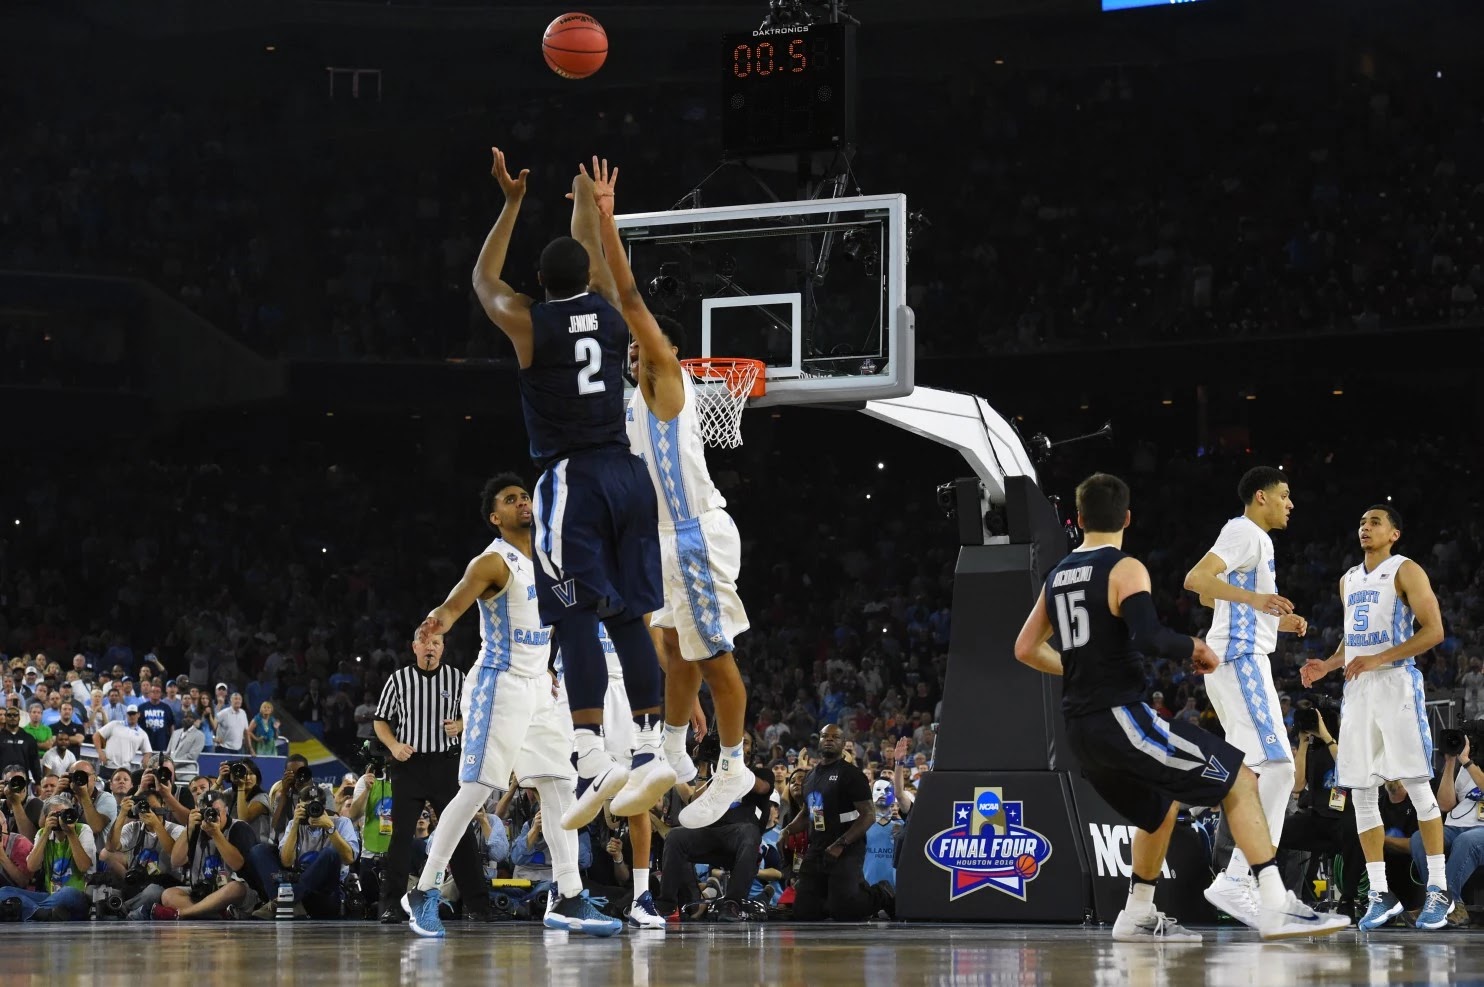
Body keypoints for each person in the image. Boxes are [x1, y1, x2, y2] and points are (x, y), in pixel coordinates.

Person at [1016, 473, 1348, 941]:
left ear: (1079, 519)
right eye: (1285, 495)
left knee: (1159, 807)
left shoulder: (1057, 576)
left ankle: (1136, 913)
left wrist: (1077, 669)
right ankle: (1267, 898)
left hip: (1080, 730)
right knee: (1246, 776)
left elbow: (1025, 648)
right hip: (1125, 716)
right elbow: (1151, 634)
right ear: (1126, 518)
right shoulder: (1125, 567)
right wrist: (1193, 645)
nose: (1290, 503)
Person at [469, 148, 672, 831]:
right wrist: (589, 199)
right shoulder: (613, 311)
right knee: (630, 615)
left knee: (574, 614)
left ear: (539, 282)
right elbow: (597, 256)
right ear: (588, 276)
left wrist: (511, 203)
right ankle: (649, 747)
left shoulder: (530, 323)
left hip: (573, 479)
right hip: (628, 475)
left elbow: (483, 280)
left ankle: (590, 753)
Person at [584, 157, 754, 830]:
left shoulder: (666, 380)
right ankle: (675, 750)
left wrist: (608, 220)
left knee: (713, 658)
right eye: (630, 350)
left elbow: (627, 300)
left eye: (642, 345)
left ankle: (734, 764)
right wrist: (586, 227)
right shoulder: (632, 399)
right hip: (659, 542)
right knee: (672, 650)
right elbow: (605, 300)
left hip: (693, 534)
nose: (633, 352)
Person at [406, 474, 618, 938]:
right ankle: (424, 890)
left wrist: (547, 668)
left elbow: (555, 622)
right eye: (511, 499)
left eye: (525, 496)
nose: (523, 502)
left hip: (539, 688)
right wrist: (435, 622)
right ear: (495, 517)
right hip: (498, 684)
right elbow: (454, 604)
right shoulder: (493, 561)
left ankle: (569, 896)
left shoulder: (550, 560)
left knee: (560, 788)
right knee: (476, 791)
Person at [1300, 504, 1452, 929]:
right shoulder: (1348, 579)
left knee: (1417, 786)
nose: (1365, 528)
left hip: (1396, 683)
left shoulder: (1406, 570)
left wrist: (1379, 658)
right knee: (1362, 792)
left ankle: (1439, 889)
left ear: (1394, 534)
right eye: (1362, 522)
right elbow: (1353, 638)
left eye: (1375, 522)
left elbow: (1434, 630)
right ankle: (1380, 893)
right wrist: (1328, 665)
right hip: (1359, 689)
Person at [1182, 466, 1308, 925]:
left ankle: (1247, 881)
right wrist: (1257, 603)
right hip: (1240, 660)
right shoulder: (1245, 532)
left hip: (1236, 660)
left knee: (1257, 772)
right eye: (1284, 495)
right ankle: (1238, 879)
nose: (1290, 504)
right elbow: (1196, 580)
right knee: (1280, 768)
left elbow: (1212, 599)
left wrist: (1275, 619)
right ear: (1261, 496)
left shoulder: (1254, 540)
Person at [373, 632, 486, 931]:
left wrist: (459, 725)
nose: (430, 648)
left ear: (443, 648)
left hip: (445, 764)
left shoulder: (457, 678)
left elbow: (475, 713)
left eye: (436, 643)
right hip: (409, 764)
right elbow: (380, 719)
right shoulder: (399, 679)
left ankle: (478, 905)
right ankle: (392, 906)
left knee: (459, 832)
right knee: (401, 836)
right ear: (415, 647)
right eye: (425, 643)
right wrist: (394, 745)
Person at [776, 724, 893, 922]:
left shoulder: (852, 774)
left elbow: (868, 815)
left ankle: (882, 893)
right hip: (817, 847)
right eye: (825, 736)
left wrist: (841, 844)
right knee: (804, 912)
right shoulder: (810, 776)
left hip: (846, 847)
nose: (829, 739)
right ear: (819, 741)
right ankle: (834, 900)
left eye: (835, 737)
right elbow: (806, 813)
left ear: (843, 743)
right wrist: (786, 830)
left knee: (845, 910)